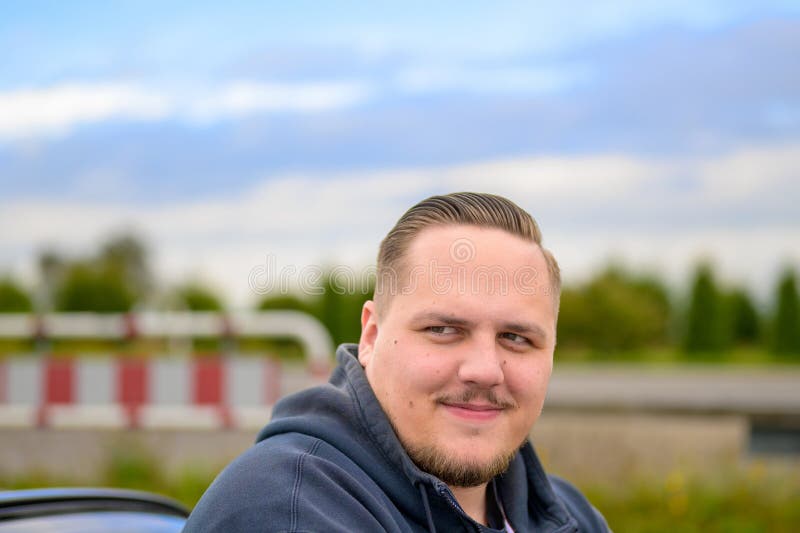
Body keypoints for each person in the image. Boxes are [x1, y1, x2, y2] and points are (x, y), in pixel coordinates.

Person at [184, 192, 609, 532]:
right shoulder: (286, 509)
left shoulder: (570, 516)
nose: (483, 369)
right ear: (371, 336)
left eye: (516, 338)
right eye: (443, 330)